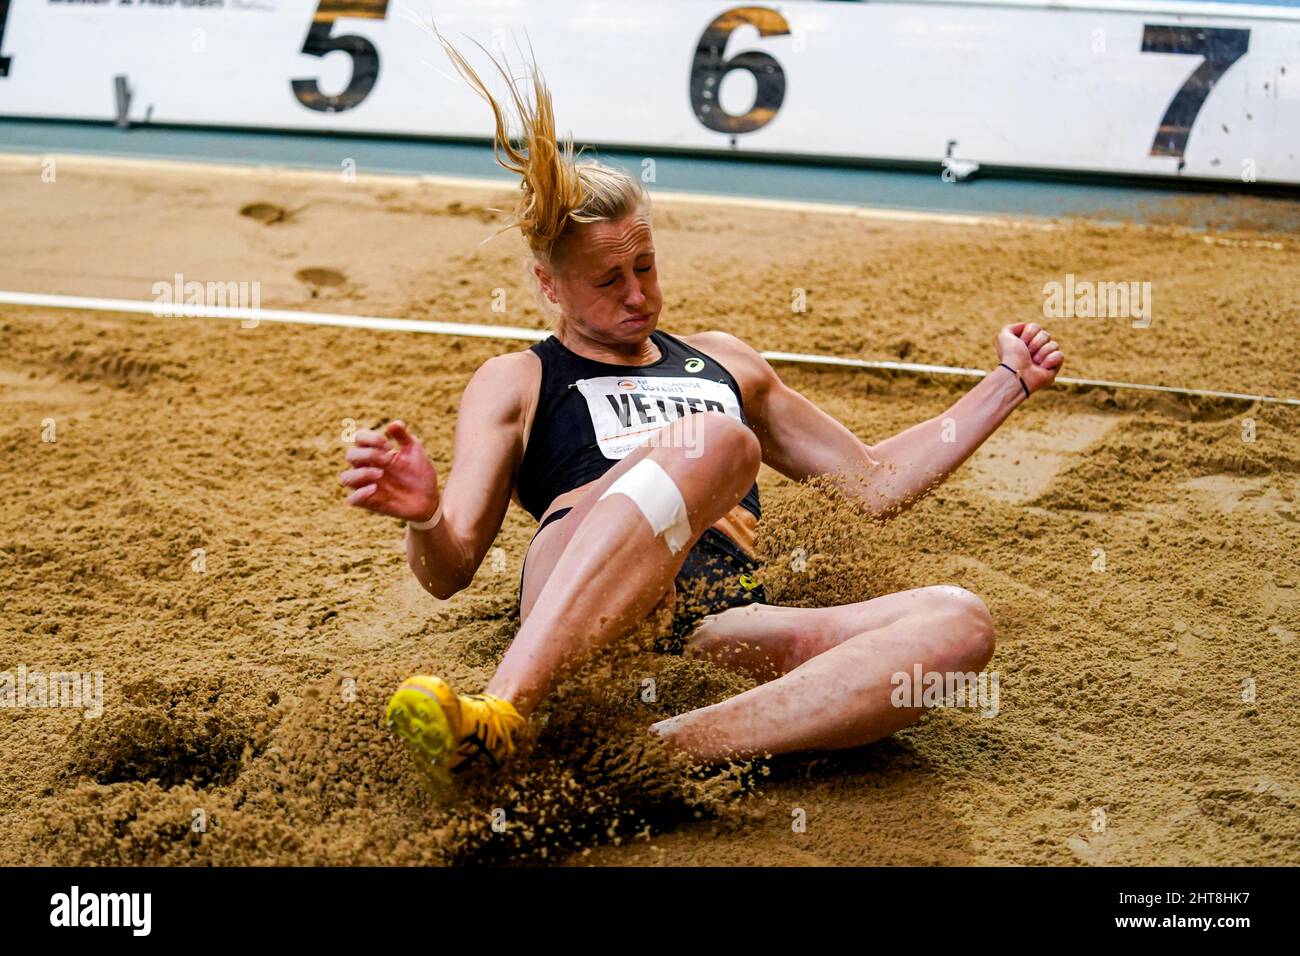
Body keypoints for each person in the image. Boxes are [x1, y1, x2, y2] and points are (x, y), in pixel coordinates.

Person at [338, 33, 1064, 781]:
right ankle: (503, 710)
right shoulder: (518, 378)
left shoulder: (726, 361)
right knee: (719, 444)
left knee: (957, 622)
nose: (639, 295)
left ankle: (641, 757)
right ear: (550, 286)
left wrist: (1006, 382)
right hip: (581, 609)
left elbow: (874, 484)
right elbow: (449, 569)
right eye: (608, 280)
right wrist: (424, 515)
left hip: (714, 620)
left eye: (646, 266)